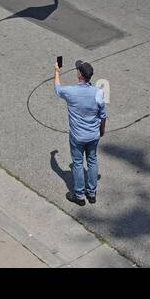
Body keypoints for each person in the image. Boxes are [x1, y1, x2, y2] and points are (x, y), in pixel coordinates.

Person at [53, 59, 107, 206]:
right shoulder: (98, 93)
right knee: (92, 160)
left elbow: (57, 88)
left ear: (79, 75)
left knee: (77, 163)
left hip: (77, 137)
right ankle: (91, 193)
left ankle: (79, 195)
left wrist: (57, 71)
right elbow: (103, 115)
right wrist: (101, 130)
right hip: (93, 135)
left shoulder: (71, 92)